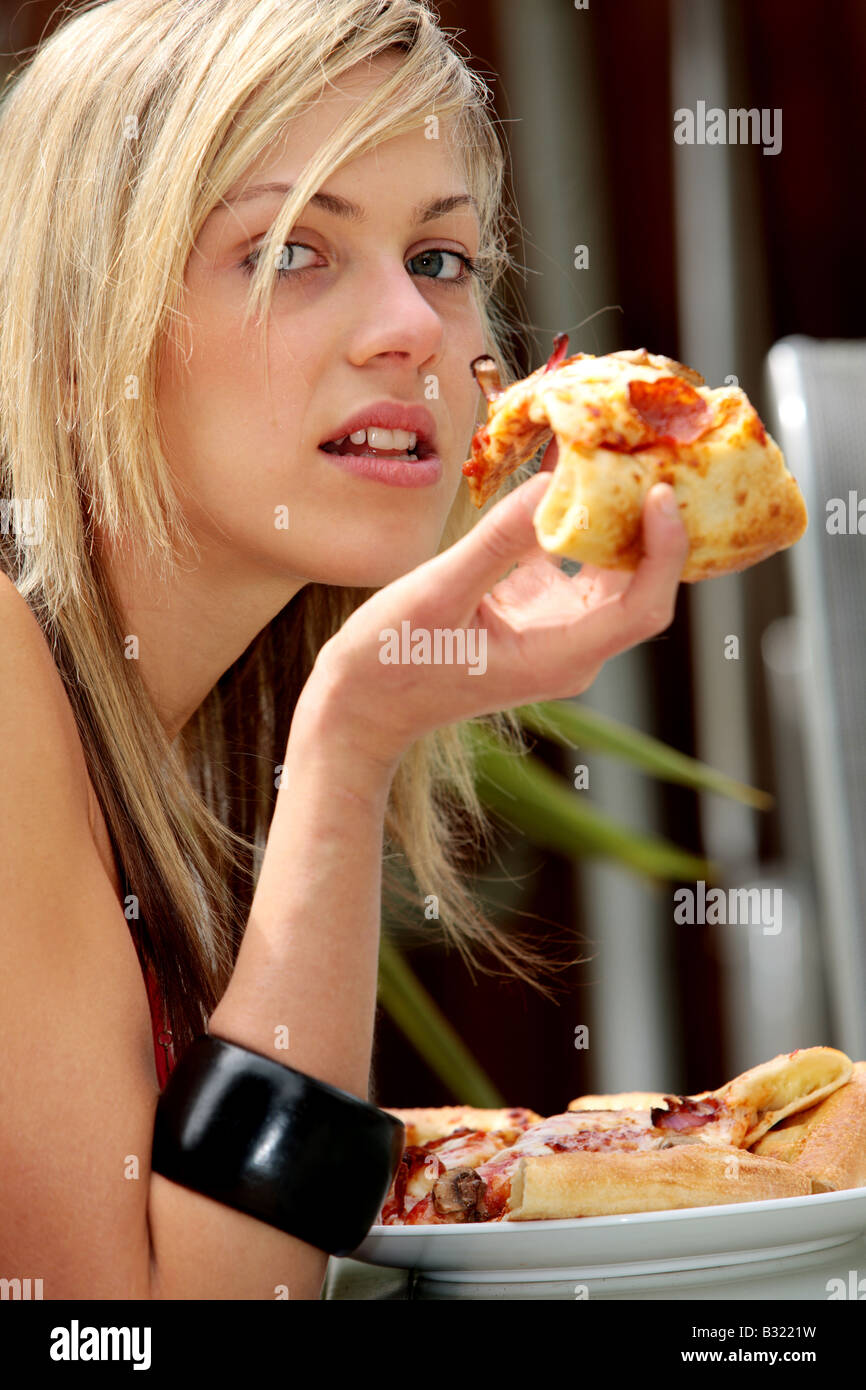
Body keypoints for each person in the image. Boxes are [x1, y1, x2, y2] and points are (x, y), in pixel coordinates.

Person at [0, 0, 688, 1300]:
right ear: (88, 332)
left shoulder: (178, 734)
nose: (413, 330)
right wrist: (351, 741)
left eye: (438, 256)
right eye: (290, 250)